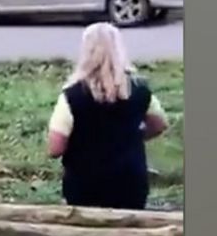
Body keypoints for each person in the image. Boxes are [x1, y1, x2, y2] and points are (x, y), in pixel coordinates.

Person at [46, 23, 169, 210]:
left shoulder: (72, 96)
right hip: (131, 184)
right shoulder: (140, 91)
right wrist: (132, 137)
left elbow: (55, 148)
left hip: (84, 187)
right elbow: (159, 124)